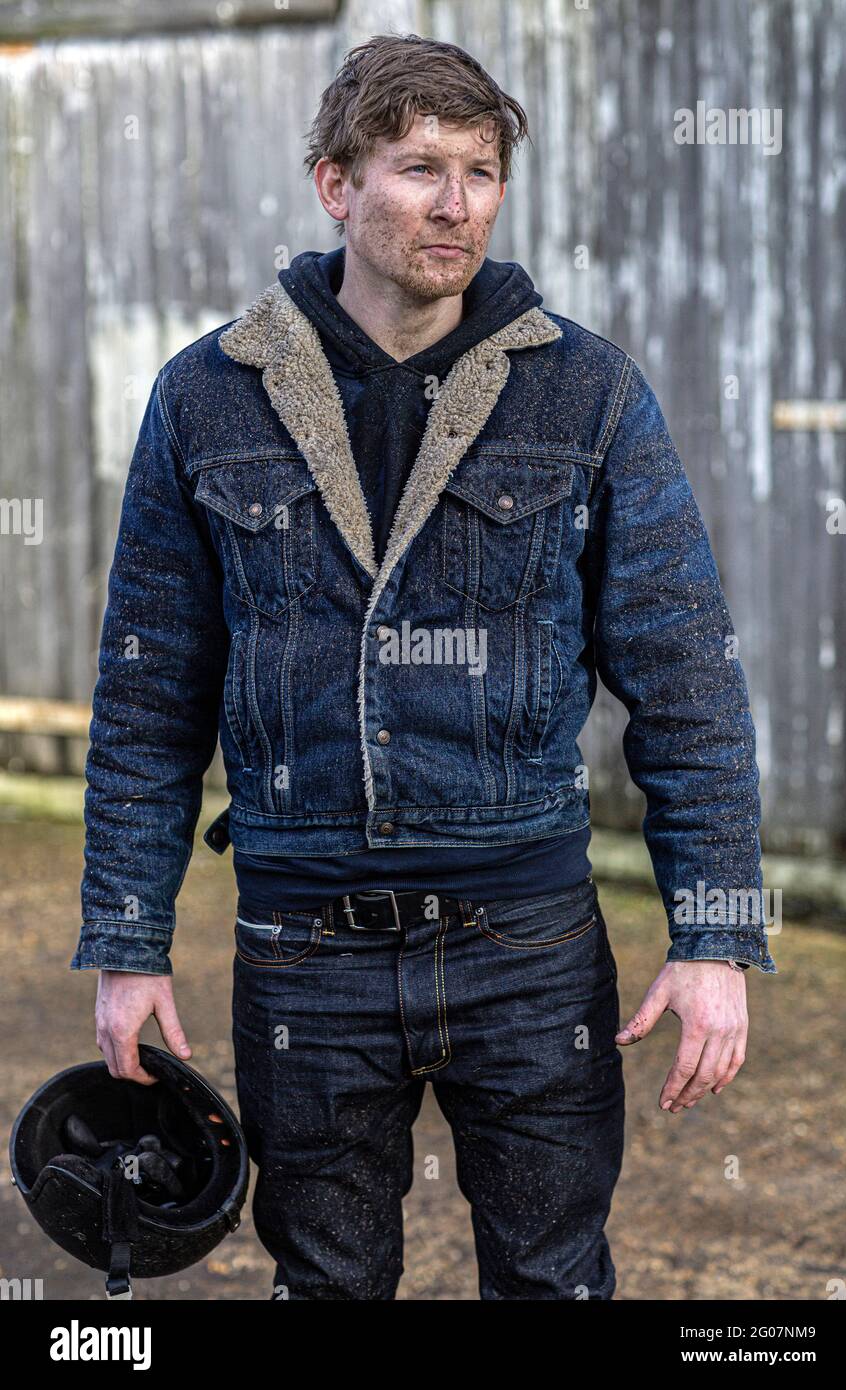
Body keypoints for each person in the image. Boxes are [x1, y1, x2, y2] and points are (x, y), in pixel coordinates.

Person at [72, 32, 777, 1300]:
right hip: (303, 949)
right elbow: (145, 698)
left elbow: (684, 678)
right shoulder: (209, 397)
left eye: (480, 170)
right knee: (326, 1287)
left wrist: (713, 931)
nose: (455, 203)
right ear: (334, 183)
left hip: (528, 943)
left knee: (553, 1282)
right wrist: (127, 945)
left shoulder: (587, 392)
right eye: (417, 167)